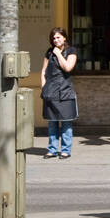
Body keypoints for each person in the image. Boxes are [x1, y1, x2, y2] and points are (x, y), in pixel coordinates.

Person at [40, 27, 78, 159]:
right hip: (50, 91)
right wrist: (43, 88)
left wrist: (58, 54)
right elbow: (44, 71)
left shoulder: (71, 51)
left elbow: (68, 67)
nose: (55, 40)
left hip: (65, 91)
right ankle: (52, 149)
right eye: (54, 38)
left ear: (64, 38)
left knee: (66, 122)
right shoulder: (49, 52)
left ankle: (66, 150)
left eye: (58, 37)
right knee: (52, 122)